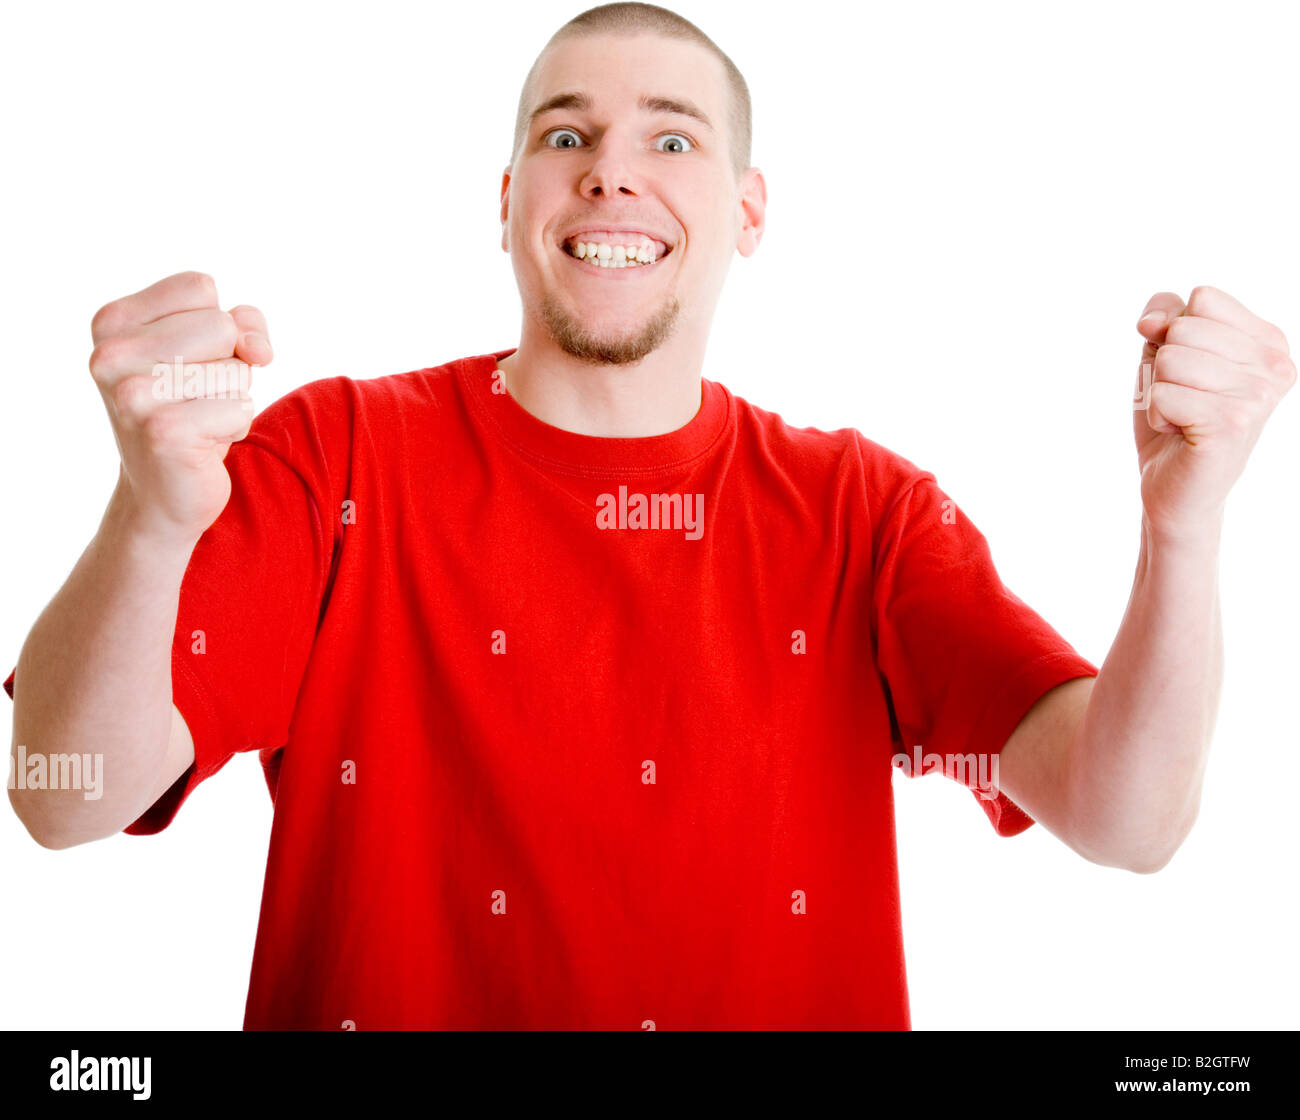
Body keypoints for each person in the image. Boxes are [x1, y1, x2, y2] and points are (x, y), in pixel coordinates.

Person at [6, 2, 1294, 1030]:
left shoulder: (868, 510)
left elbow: (1129, 822)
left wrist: (1185, 529)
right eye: (566, 138)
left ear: (747, 213)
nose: (610, 174)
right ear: (506, 196)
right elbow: (62, 797)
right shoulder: (332, 457)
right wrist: (150, 515)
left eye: (671, 139)